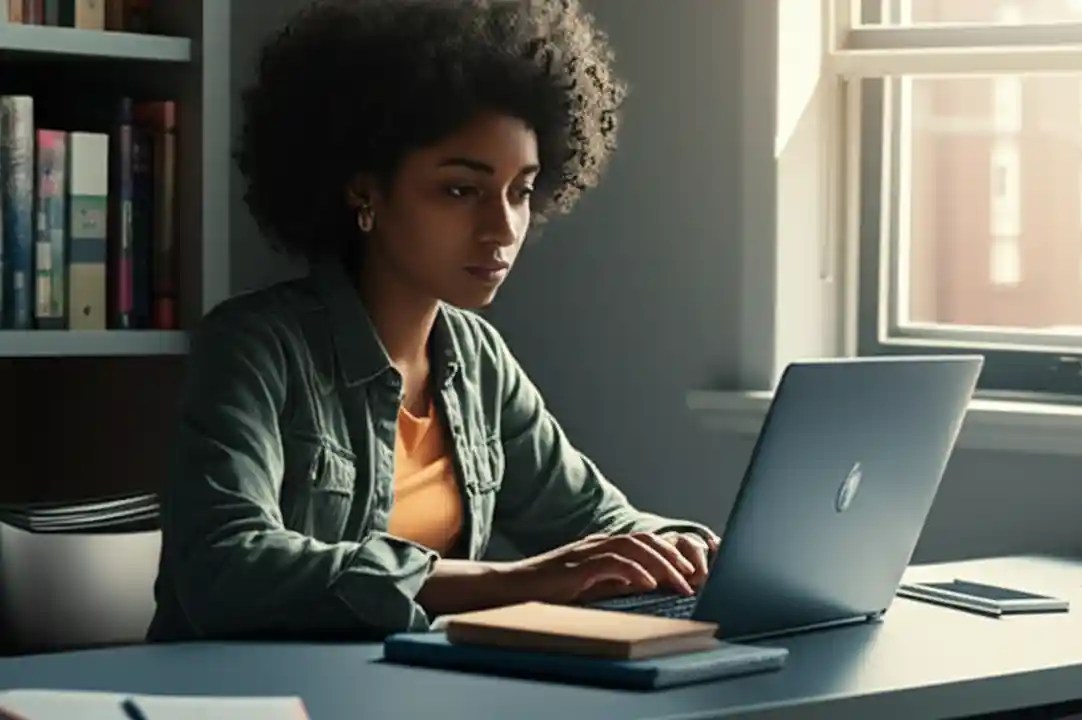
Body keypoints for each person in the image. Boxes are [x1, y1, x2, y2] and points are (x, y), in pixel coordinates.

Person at [147, 0, 719, 642]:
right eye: (461, 190)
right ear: (364, 190)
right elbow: (226, 567)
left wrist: (696, 550)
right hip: (247, 689)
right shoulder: (254, 346)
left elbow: (598, 521)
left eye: (520, 191)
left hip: (406, 686)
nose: (503, 228)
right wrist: (512, 582)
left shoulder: (477, 359)